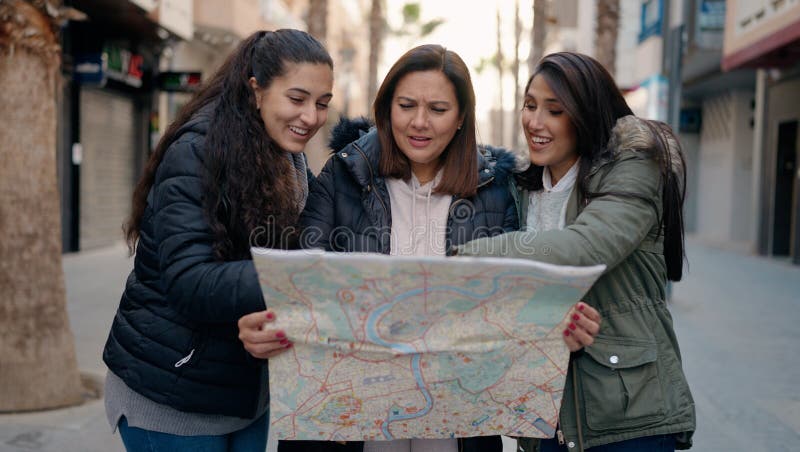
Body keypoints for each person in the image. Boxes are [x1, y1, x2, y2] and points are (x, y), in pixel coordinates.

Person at [239, 44, 601, 452]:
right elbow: (304, 283)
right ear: (386, 107)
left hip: (457, 412)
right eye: (406, 105)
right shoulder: (342, 174)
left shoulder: (498, 190)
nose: (419, 123)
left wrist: (556, 322)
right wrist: (271, 322)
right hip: (355, 408)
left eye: (439, 110)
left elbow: (513, 300)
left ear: (462, 117)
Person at [101, 29, 333, 451]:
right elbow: (190, 279)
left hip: (241, 392)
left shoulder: (288, 158)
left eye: (322, 103)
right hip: (171, 392)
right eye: (297, 99)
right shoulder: (198, 150)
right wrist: (302, 275)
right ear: (256, 90)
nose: (312, 116)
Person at [457, 52, 696, 451]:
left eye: (555, 110)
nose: (535, 122)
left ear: (586, 114)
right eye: (530, 105)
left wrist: (469, 256)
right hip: (542, 417)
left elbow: (584, 246)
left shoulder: (634, 168)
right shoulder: (518, 188)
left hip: (628, 417)